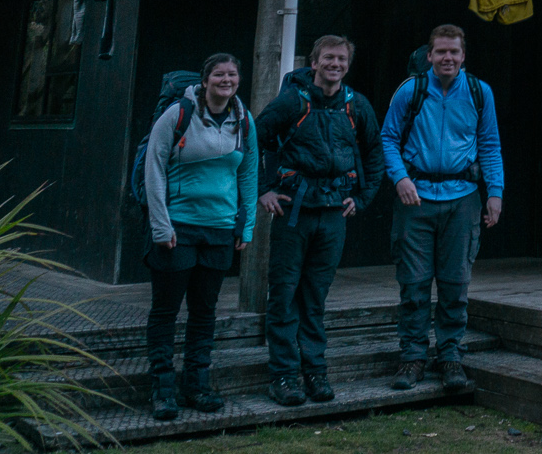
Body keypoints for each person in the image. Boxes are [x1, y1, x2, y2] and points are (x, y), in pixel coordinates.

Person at [254, 33, 384, 407]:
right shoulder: (292, 101)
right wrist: (263, 189)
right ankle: (282, 376)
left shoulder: (356, 105)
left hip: (333, 215)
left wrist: (362, 197)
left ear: (348, 63)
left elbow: (374, 152)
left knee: (314, 298)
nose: (335, 64)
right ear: (314, 62)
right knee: (282, 294)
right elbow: (253, 140)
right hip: (293, 212)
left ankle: (315, 372)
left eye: (342, 59)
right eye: (328, 58)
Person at [379, 24, 502, 397]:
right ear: (429, 56)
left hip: (463, 197)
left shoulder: (480, 93)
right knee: (414, 284)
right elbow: (387, 137)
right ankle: (413, 357)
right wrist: (400, 178)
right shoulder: (410, 90)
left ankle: (450, 357)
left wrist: (495, 192)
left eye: (454, 52)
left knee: (455, 283)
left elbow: (490, 144)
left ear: (463, 56)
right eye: (440, 52)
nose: (447, 58)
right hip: (416, 198)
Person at [142, 52, 258, 422]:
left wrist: (247, 224)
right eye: (220, 75)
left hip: (221, 229)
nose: (227, 80)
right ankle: (161, 390)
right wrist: (161, 225)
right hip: (177, 228)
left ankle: (197, 385)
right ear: (205, 80)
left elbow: (249, 173)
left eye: (233, 74)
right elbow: (154, 168)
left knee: (204, 312)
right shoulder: (178, 115)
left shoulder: (243, 119)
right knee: (166, 311)